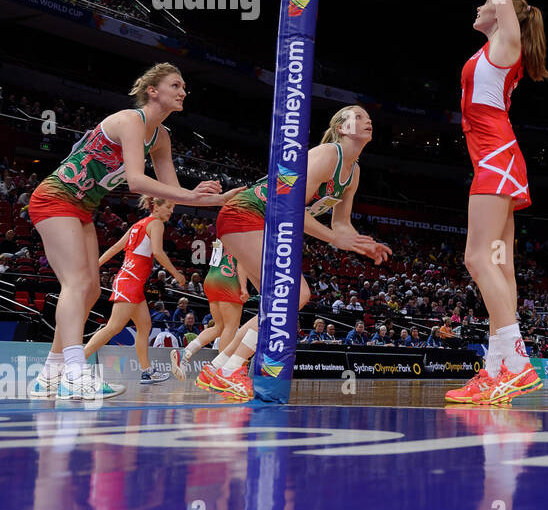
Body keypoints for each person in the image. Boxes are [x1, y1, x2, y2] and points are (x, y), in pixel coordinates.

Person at [26, 63, 234, 401]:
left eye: (185, 87)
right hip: (54, 198)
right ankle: (75, 373)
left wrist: (218, 198)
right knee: (77, 284)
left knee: (91, 290)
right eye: (176, 85)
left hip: (83, 207)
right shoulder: (130, 120)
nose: (183, 92)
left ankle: (49, 375)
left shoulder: (161, 136)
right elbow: (137, 181)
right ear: (153, 90)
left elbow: (172, 192)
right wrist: (193, 195)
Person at [200, 105, 391, 402]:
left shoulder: (353, 172)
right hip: (247, 212)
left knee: (278, 306)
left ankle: (219, 367)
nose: (368, 120)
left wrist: (362, 243)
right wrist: (336, 240)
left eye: (369, 117)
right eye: (359, 116)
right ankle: (230, 371)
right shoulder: (328, 154)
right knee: (294, 295)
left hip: (263, 223)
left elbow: (341, 222)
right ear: (342, 127)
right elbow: (291, 209)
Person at [448, 0, 548, 407]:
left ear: (504, 12)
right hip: (500, 158)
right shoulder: (497, 48)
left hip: (495, 158)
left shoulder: (505, 39)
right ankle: (496, 369)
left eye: (490, 3)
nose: (483, 3)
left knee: (475, 257)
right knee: (498, 262)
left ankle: (517, 361)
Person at [82, 195, 187, 387]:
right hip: (130, 281)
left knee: (145, 326)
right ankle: (77, 363)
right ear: (155, 207)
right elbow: (157, 252)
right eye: (169, 206)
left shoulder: (137, 225)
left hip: (131, 281)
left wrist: (93, 267)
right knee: (114, 327)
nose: (172, 211)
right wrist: (176, 274)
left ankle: (147, 371)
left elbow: (114, 248)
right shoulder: (156, 224)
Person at [173, 236, 249, 377]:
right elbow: (241, 264)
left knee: (218, 326)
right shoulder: (241, 233)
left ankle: (185, 353)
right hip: (227, 278)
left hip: (211, 278)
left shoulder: (223, 233)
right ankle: (222, 370)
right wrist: (244, 287)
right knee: (230, 326)